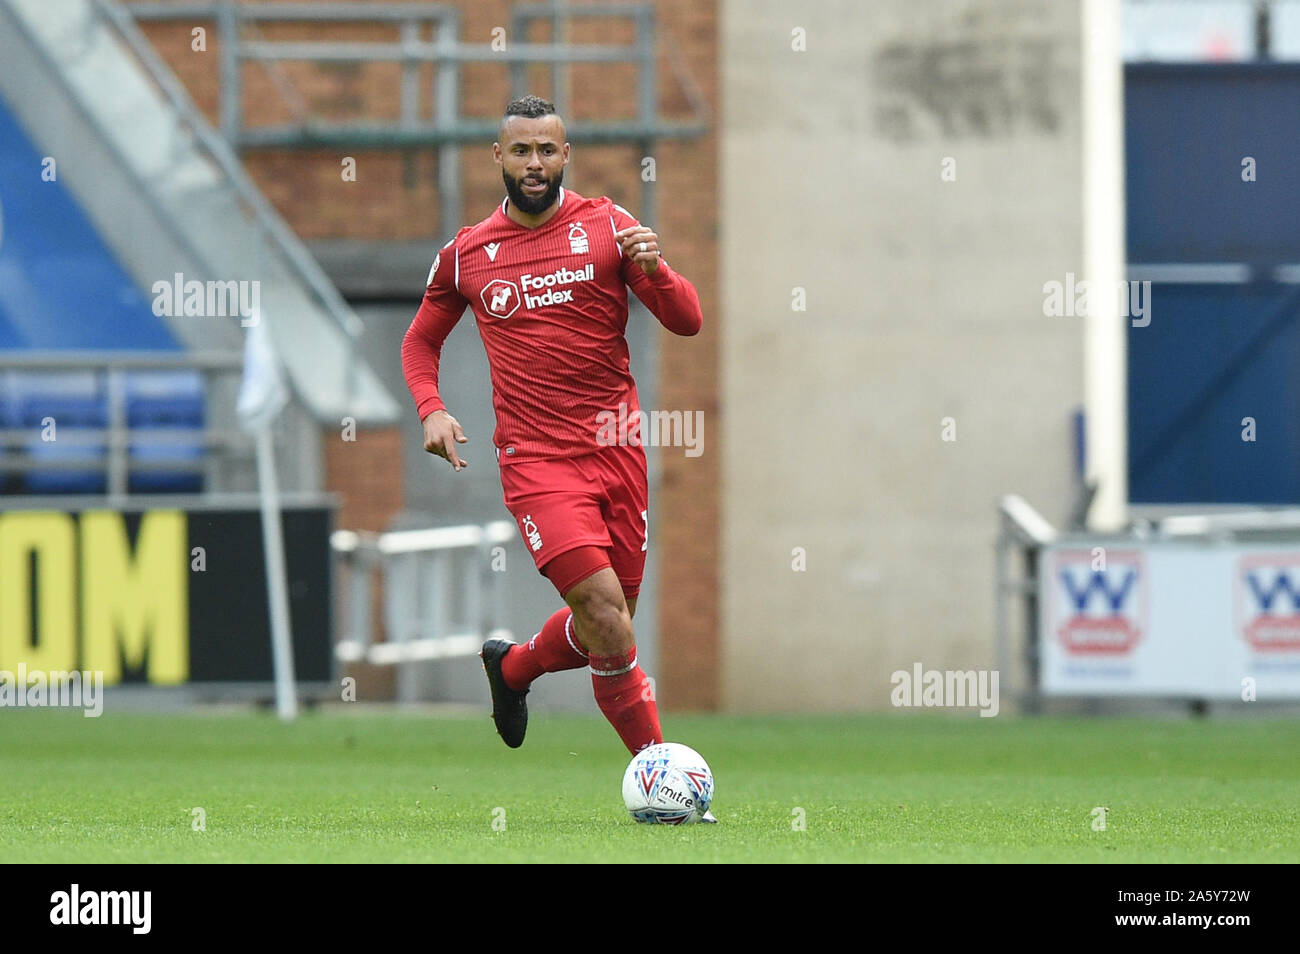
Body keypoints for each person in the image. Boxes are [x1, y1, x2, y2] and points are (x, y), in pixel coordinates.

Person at [401, 94, 703, 760]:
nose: (534, 163)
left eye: (546, 150)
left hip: (618, 449)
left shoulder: (607, 226)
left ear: (565, 155)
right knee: (602, 613)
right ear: (498, 159)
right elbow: (420, 342)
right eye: (520, 150)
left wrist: (658, 271)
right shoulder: (467, 255)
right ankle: (659, 774)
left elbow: (687, 320)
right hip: (537, 461)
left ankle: (512, 670)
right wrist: (432, 407)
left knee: (610, 620)